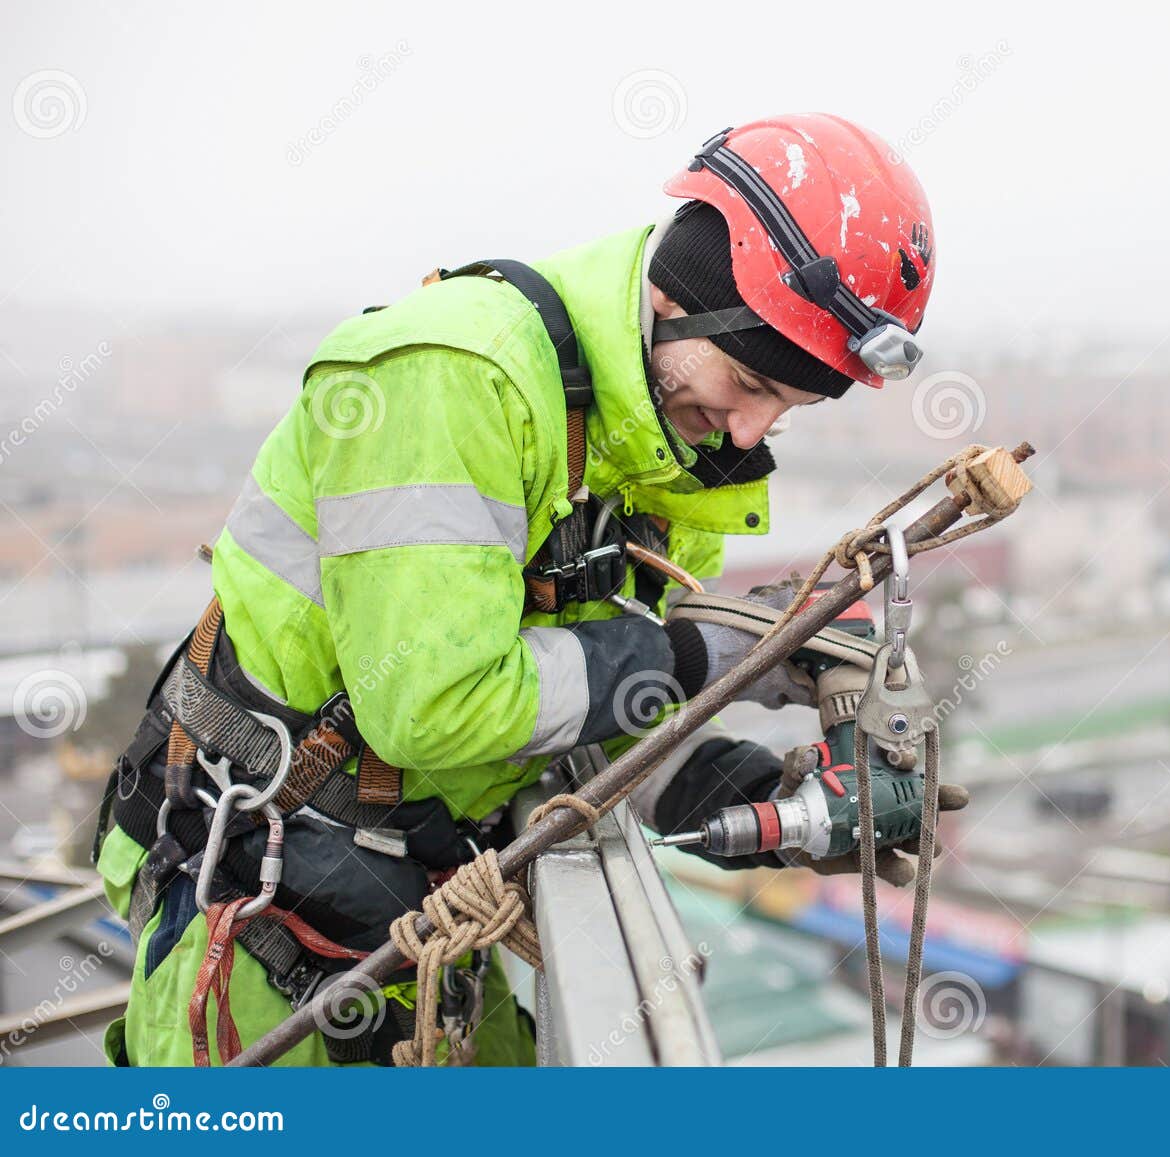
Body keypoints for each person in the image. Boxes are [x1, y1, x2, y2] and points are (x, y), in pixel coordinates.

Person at [92, 112, 956, 1067]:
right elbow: (438, 702)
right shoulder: (454, 379)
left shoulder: (667, 449)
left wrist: (759, 801)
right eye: (750, 380)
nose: (748, 432)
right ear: (682, 298)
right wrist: (706, 654)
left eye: (784, 410)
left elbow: (579, 716)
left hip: (425, 917)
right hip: (268, 933)